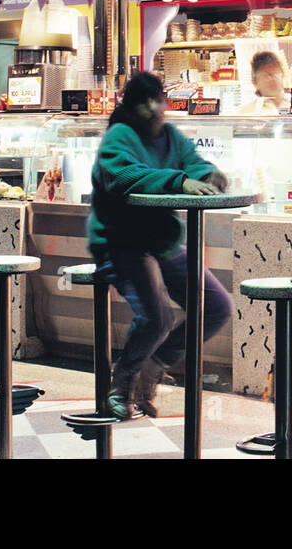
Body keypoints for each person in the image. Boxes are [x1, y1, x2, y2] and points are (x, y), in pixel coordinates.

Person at [87, 71, 233, 419]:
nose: (155, 108)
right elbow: (125, 177)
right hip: (122, 241)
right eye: (145, 101)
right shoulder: (118, 137)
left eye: (159, 99)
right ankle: (121, 383)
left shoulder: (170, 136)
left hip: (162, 240)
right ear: (132, 106)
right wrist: (179, 182)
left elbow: (193, 162)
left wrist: (209, 173)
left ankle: (151, 369)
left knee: (216, 306)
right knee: (157, 318)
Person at [239, 49, 288, 115]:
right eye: (265, 75)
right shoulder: (246, 112)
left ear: (283, 76)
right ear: (255, 83)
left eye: (275, 73)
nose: (271, 78)